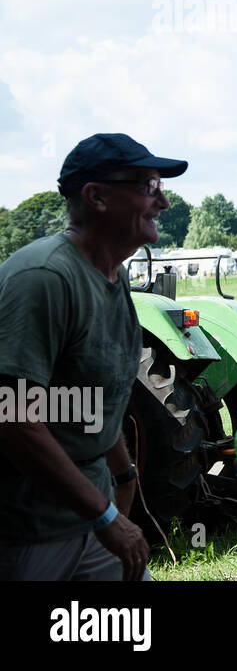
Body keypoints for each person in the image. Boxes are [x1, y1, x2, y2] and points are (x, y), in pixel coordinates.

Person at [0, 133, 188, 581]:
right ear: (97, 197)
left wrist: (122, 477)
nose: (162, 201)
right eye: (148, 186)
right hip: (25, 532)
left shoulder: (113, 277)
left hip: (88, 520)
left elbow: (90, 397)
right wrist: (106, 517)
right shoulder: (43, 278)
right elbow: (13, 418)